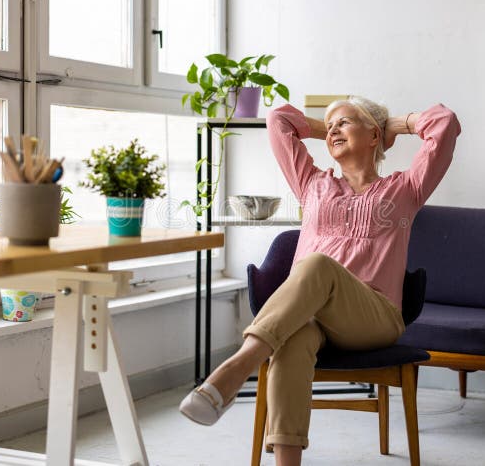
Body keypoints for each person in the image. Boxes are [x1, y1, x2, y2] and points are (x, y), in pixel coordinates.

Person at [180, 96, 461, 465]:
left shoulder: (405, 189)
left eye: (343, 123)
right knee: (291, 340)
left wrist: (390, 124)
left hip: (372, 316)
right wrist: (331, 125)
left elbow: (445, 123)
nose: (332, 131)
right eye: (328, 128)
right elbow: (278, 119)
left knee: (315, 265)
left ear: (374, 137)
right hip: (311, 317)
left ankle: (239, 365)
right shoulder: (312, 184)